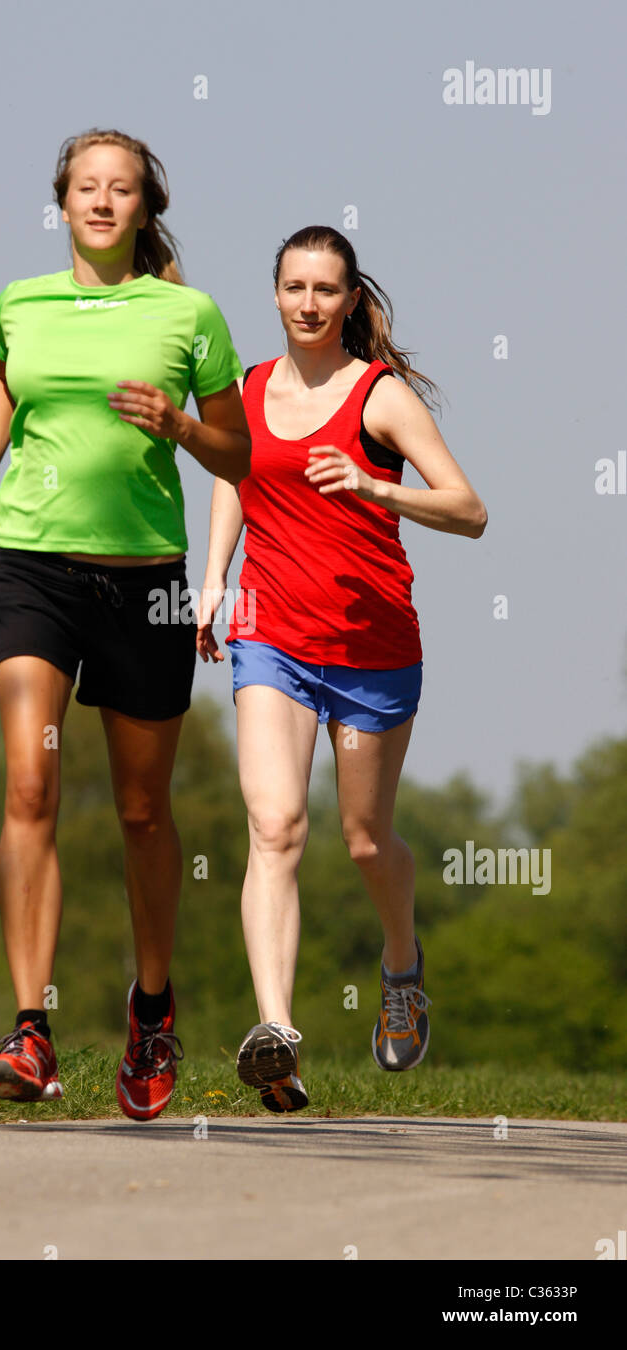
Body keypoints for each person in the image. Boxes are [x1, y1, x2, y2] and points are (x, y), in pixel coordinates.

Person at [0, 128, 248, 1121]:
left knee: (140, 811)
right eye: (86, 186)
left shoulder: (188, 314)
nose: (102, 201)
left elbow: (239, 456)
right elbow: (6, 373)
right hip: (35, 567)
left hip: (149, 583)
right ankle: (29, 1028)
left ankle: (152, 1009)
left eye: (121, 188)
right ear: (63, 200)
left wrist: (180, 428)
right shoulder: (20, 299)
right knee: (30, 782)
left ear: (142, 208)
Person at [197, 225, 487, 1112]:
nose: (309, 304)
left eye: (327, 290)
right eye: (294, 288)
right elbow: (231, 477)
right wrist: (212, 580)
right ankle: (276, 1035)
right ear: (276, 294)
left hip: (373, 648)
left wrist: (376, 487)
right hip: (270, 637)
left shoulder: (380, 396)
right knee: (275, 825)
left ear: (351, 299)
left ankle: (402, 971)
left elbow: (470, 511)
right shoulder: (244, 390)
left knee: (365, 839)